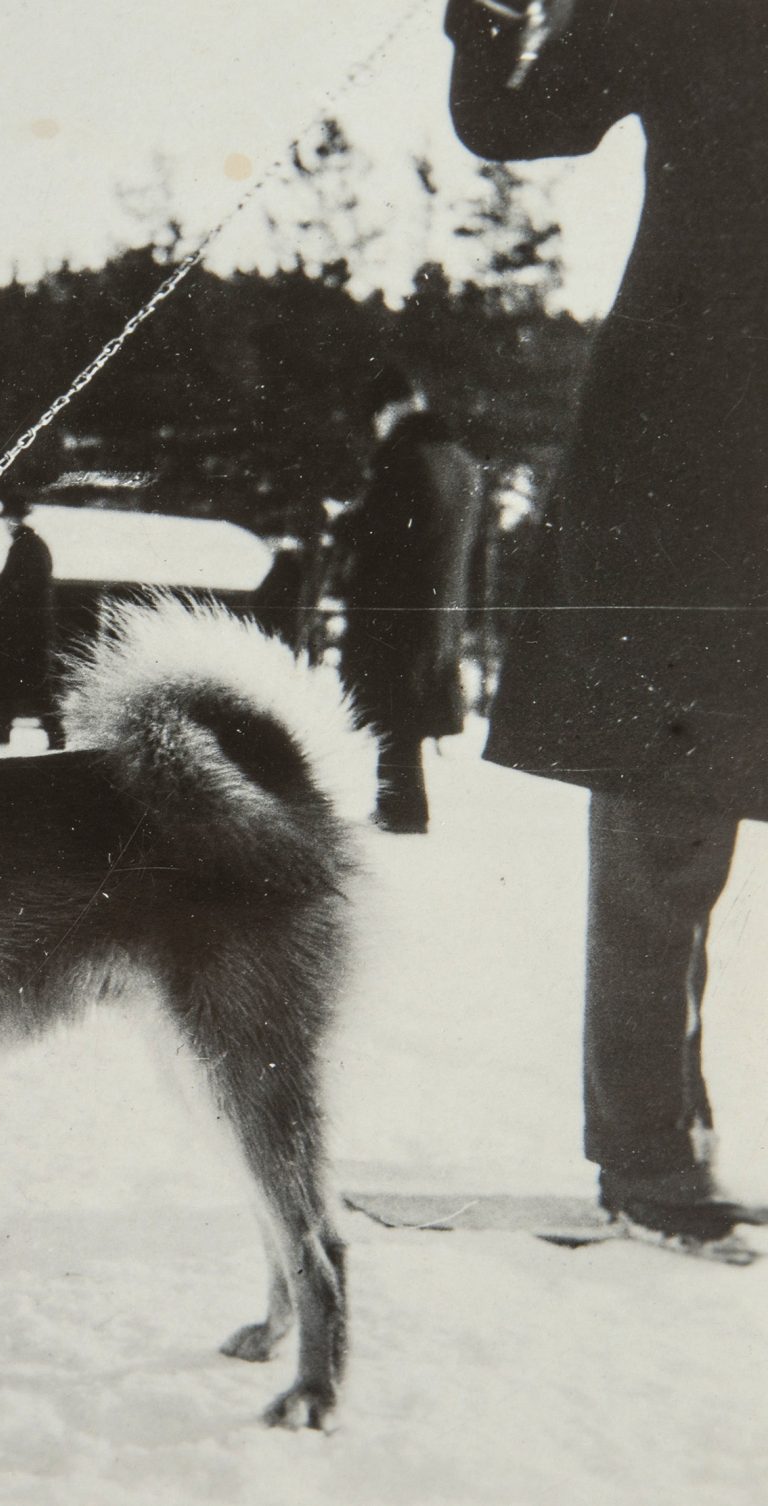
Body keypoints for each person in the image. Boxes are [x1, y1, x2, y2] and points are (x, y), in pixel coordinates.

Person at [446, 0, 768, 1254]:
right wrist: (489, 22)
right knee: (663, 808)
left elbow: (508, 114)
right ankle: (649, 1154)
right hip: (689, 443)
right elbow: (515, 120)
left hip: (689, 428)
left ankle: (654, 1153)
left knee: (664, 813)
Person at [331, 363, 482, 834]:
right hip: (439, 611)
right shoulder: (463, 463)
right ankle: (401, 805)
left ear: (387, 410)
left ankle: (402, 810)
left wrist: (342, 521)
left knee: (392, 710)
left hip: (394, 608)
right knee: (405, 715)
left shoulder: (404, 457)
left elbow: (382, 531)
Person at [0, 495, 65, 750]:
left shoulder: (30, 546)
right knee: (9, 683)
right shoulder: (24, 545)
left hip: (28, 630)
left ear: (15, 519)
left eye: (7, 519)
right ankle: (4, 735)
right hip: (19, 630)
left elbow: (30, 587)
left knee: (36, 685)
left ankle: (56, 737)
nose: (6, 524)